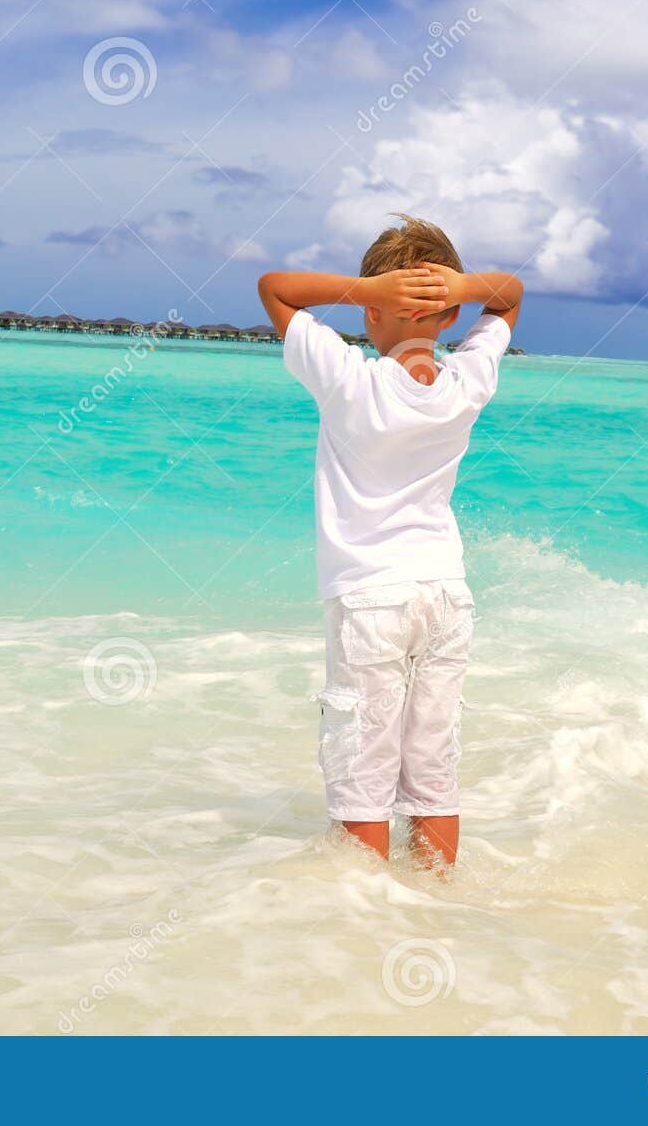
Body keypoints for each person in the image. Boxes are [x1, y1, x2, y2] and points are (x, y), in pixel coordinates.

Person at [256, 214, 523, 869]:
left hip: (371, 600)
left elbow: (274, 289)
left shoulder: (352, 380)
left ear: (373, 315)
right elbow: (510, 293)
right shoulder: (467, 382)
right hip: (445, 598)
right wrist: (457, 284)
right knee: (434, 771)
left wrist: (366, 291)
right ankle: (436, 907)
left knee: (362, 777)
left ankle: (364, 927)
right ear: (453, 317)